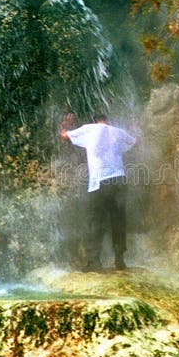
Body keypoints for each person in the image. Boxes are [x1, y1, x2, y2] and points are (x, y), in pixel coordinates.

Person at [60, 111, 136, 271]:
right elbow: (134, 142)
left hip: (100, 181)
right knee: (118, 221)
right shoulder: (118, 131)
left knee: (95, 221)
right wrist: (132, 127)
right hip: (119, 180)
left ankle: (93, 262)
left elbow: (64, 136)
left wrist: (66, 124)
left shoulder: (89, 129)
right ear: (106, 121)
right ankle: (120, 260)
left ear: (95, 121)